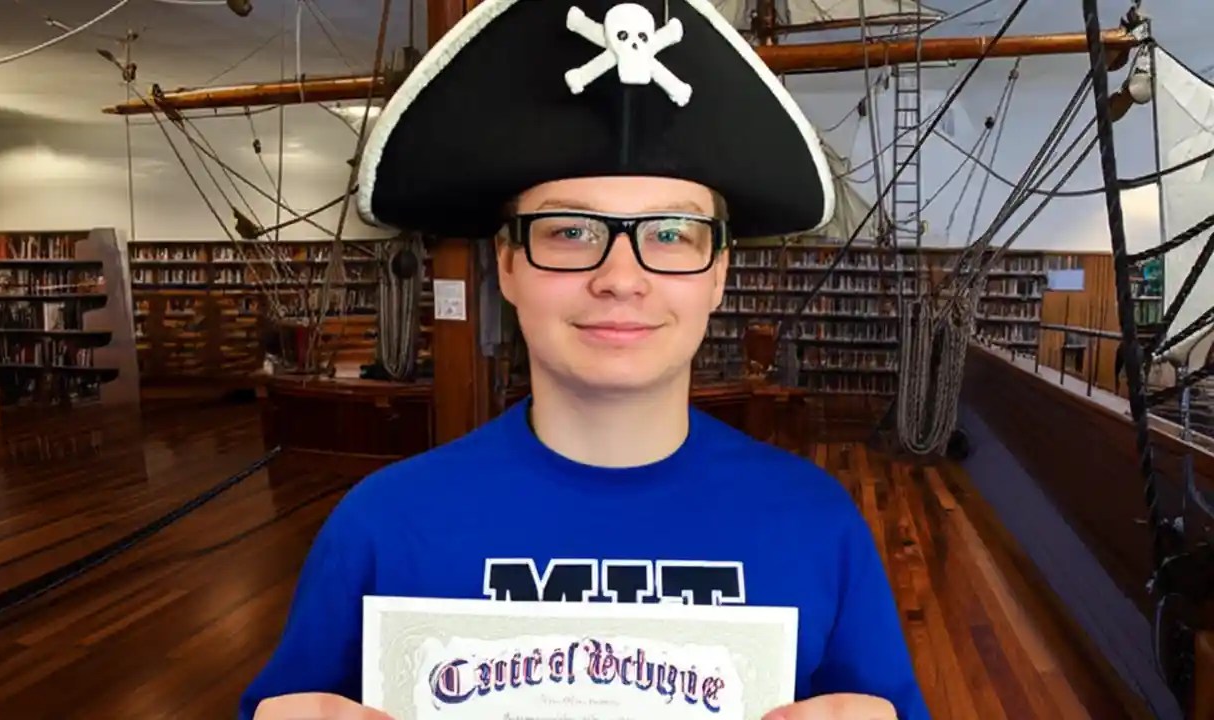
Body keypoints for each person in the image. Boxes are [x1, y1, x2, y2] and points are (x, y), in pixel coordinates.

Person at [241, 1, 928, 718]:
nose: (621, 277)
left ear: (719, 272)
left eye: (670, 233)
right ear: (506, 265)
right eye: (570, 231)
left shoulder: (818, 524)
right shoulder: (381, 526)